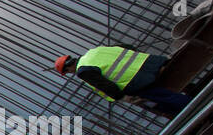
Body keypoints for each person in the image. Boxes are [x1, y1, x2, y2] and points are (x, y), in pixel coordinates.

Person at [54, 49, 191, 117]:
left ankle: (194, 109)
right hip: (151, 64)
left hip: (138, 81)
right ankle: (193, 100)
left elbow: (105, 86)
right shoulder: (95, 51)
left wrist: (122, 97)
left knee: (165, 99)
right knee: (175, 85)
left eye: (68, 72)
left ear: (69, 68)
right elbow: (126, 48)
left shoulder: (83, 71)